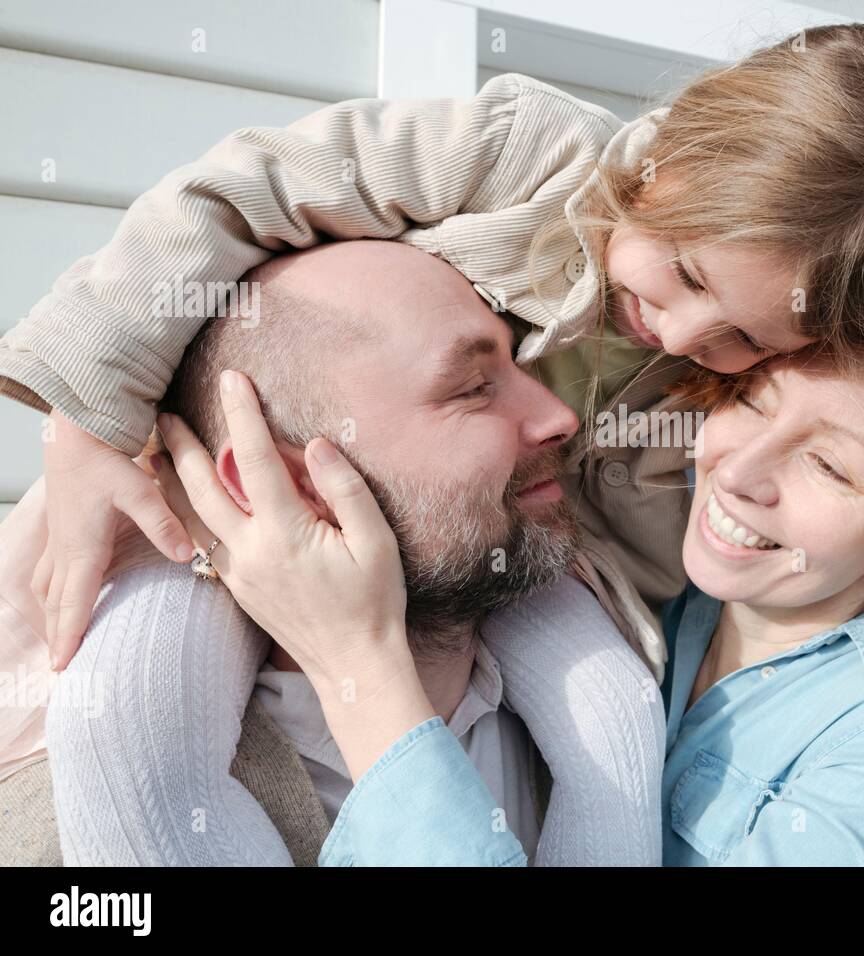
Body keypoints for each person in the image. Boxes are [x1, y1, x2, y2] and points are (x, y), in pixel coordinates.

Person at [2, 25, 864, 735]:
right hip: (288, 483)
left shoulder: (799, 336)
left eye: (738, 335)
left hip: (538, 577)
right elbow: (241, 191)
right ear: (671, 159)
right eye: (682, 270)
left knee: (604, 726)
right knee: (109, 644)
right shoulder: (524, 151)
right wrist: (87, 417)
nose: (680, 329)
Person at [157, 279, 864, 865]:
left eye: (831, 464)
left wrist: (355, 664)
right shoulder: (671, 592)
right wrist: (89, 421)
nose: (742, 472)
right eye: (753, 401)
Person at [0, 241, 665, 866]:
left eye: (518, 364)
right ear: (294, 485)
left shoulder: (652, 700)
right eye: (472, 387)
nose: (558, 415)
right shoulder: (72, 832)